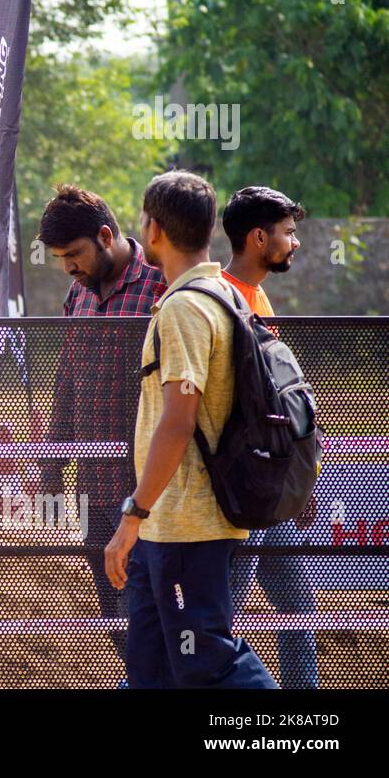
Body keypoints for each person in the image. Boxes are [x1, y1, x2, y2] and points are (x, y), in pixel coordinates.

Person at [105, 170, 277, 688]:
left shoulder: (184, 308)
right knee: (150, 666)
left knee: (208, 660)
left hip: (185, 523)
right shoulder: (224, 295)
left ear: (154, 229)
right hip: (170, 523)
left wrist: (133, 514)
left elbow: (178, 423)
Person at [36, 185, 165, 673]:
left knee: (150, 612)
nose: (68, 266)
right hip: (92, 489)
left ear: (106, 236)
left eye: (75, 254)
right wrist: (52, 467)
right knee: (115, 618)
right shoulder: (78, 295)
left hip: (146, 491)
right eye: (60, 258)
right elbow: (66, 380)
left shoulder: (160, 287)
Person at [221, 186, 319, 689]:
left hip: (272, 477)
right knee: (222, 617)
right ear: (259, 238)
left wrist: (298, 483)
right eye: (288, 232)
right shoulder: (221, 296)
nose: (295, 242)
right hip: (243, 486)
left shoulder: (258, 294)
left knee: (299, 613)